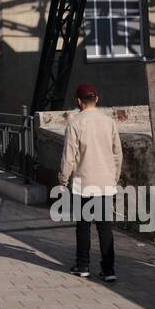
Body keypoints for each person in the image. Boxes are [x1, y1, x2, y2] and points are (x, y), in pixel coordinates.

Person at [57, 83, 123, 283]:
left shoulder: (75, 123)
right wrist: (114, 177)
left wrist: (62, 179)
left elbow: (69, 156)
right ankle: (108, 269)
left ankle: (83, 265)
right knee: (104, 226)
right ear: (97, 99)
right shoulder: (109, 122)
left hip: (83, 182)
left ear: (78, 102)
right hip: (105, 181)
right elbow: (117, 154)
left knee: (83, 225)